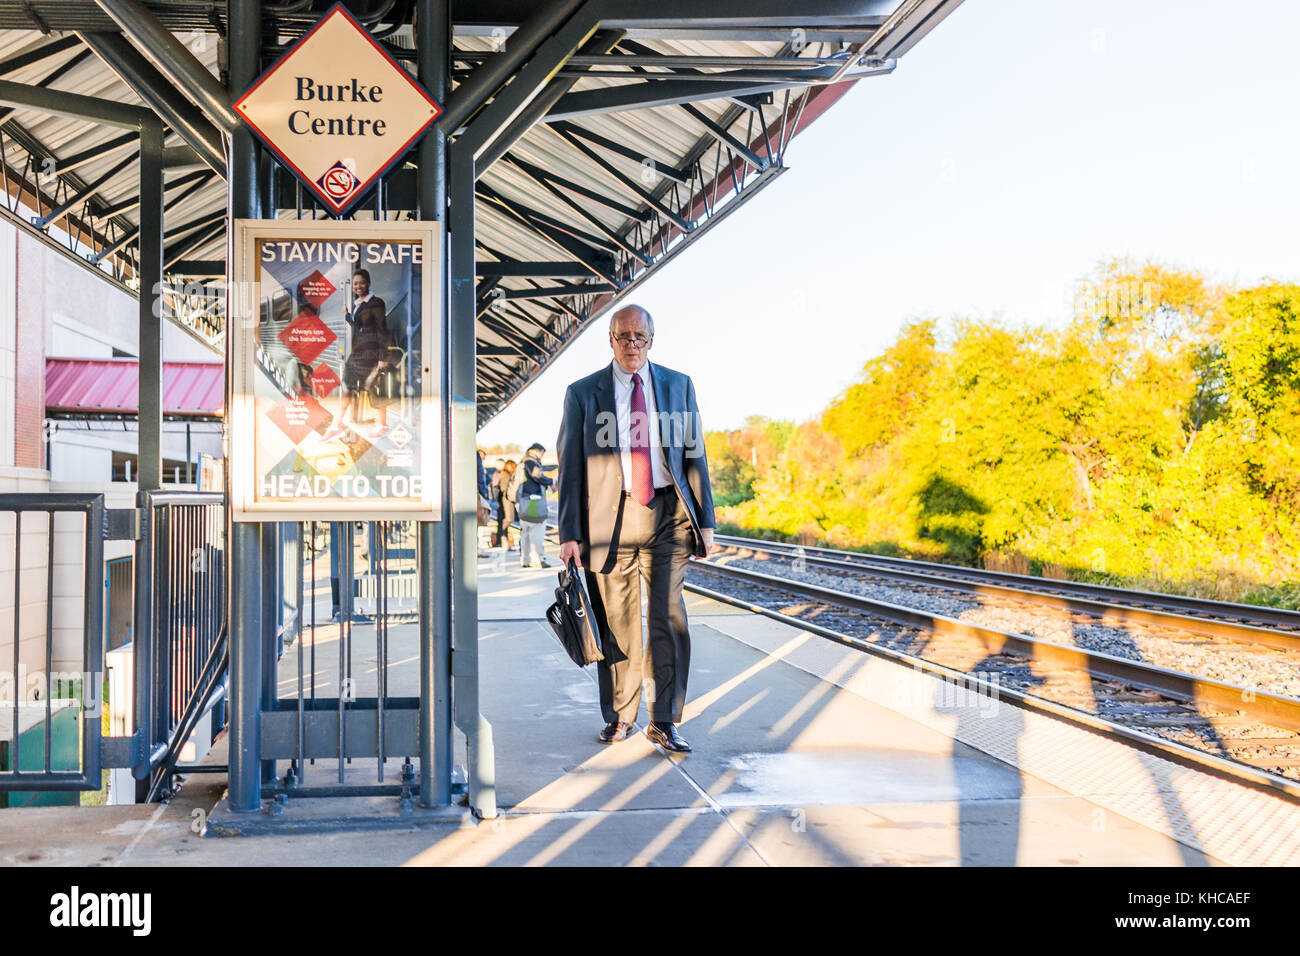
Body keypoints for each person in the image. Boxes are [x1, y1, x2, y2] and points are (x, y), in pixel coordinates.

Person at [556, 304, 715, 753]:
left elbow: (694, 455)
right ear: (610, 339)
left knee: (667, 618)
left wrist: (706, 521)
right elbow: (570, 469)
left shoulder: (678, 385)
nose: (632, 345)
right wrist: (570, 534)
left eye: (640, 337)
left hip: (667, 515)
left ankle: (664, 720)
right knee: (618, 624)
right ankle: (621, 715)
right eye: (623, 336)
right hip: (610, 520)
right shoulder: (583, 393)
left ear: (651, 340)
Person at [322, 268, 391, 442]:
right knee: (347, 388)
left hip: (371, 353)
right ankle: (335, 427)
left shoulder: (376, 303)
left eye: (361, 283)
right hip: (358, 353)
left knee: (373, 387)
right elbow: (359, 324)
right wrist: (347, 316)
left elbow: (382, 329)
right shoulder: (358, 303)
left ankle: (381, 425)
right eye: (355, 284)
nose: (358, 286)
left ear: (368, 283)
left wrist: (382, 357)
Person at [517, 442, 555, 569]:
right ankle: (539, 559)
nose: (542, 456)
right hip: (533, 501)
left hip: (523, 500)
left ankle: (525, 559)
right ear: (537, 451)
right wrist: (550, 482)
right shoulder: (531, 462)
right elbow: (537, 475)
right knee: (537, 529)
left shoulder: (522, 461)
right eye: (542, 453)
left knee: (525, 532)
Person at [495, 459, 518, 550]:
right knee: (507, 520)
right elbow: (505, 489)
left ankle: (504, 542)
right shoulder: (506, 476)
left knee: (505, 521)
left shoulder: (504, 475)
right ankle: (504, 542)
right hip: (507, 502)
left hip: (505, 502)